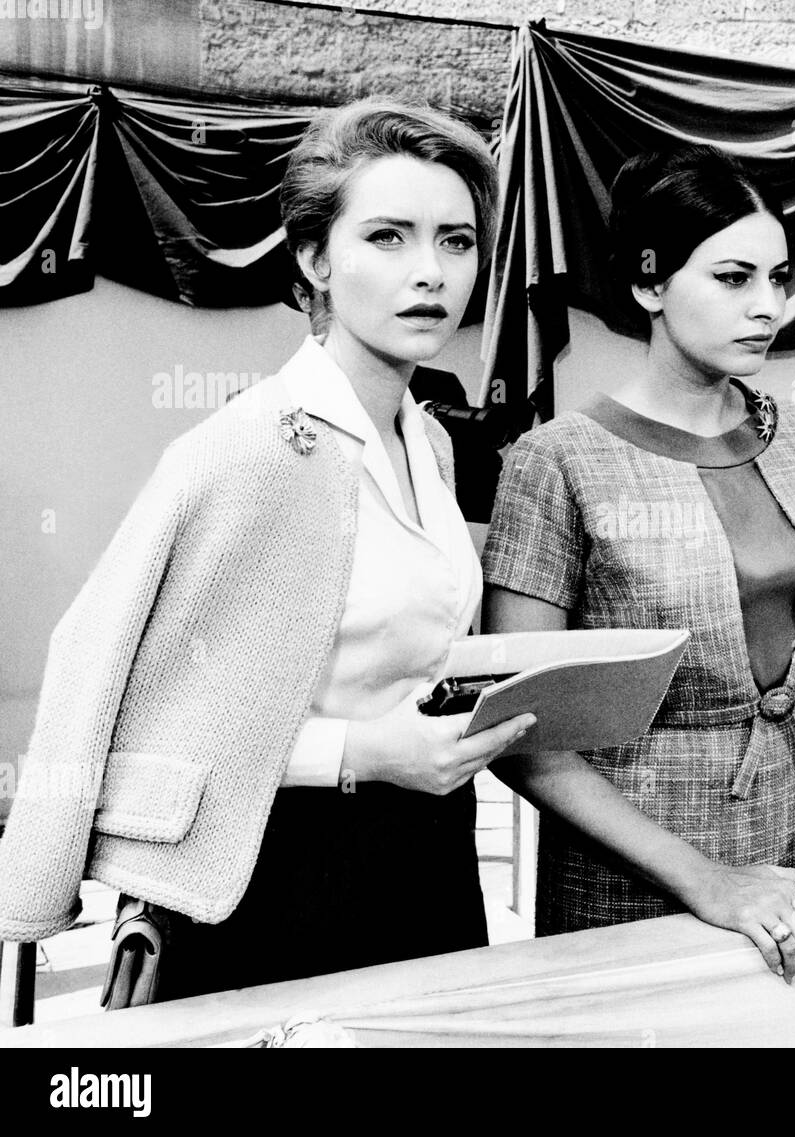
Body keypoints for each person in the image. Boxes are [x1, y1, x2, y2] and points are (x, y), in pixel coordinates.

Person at [0, 99, 535, 1000]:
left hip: (428, 856)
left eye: (456, 241)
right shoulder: (247, 449)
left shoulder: (430, 443)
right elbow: (126, 688)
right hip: (272, 874)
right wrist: (365, 753)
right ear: (315, 257)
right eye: (389, 238)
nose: (430, 274)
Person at [481, 146, 795, 986]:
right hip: (628, 872)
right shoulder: (557, 462)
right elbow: (522, 735)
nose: (768, 305)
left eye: (778, 278)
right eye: (733, 278)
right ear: (649, 285)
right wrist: (706, 881)